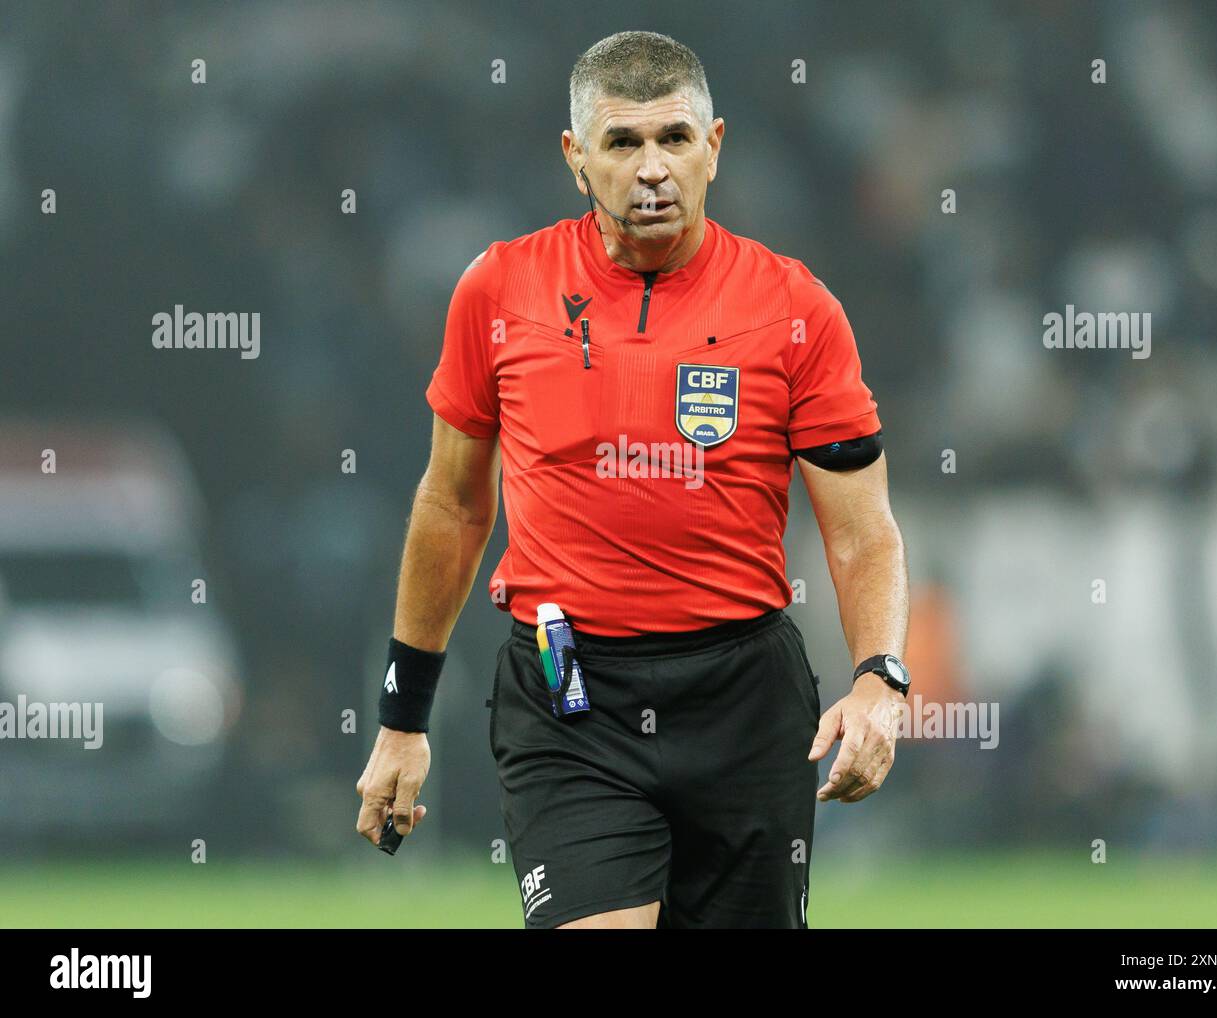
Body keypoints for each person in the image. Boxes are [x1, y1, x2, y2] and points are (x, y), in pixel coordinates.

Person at [356, 29, 910, 929]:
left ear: (714, 148)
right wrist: (401, 720)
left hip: (744, 700)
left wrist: (881, 676)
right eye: (622, 143)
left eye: (674, 140)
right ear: (577, 160)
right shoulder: (498, 291)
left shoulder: (797, 307)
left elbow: (862, 529)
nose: (652, 170)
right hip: (572, 699)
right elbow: (452, 508)